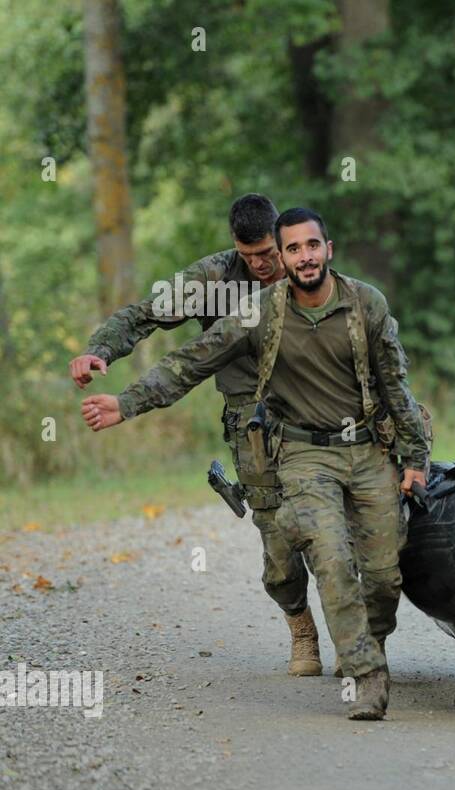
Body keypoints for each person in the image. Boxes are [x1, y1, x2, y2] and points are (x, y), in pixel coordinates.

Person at [80, 208, 430, 720]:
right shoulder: (236, 296)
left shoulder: (361, 301)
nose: (281, 261)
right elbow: (187, 355)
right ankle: (343, 655)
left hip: (359, 442)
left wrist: (414, 455)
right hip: (282, 439)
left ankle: (364, 641)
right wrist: (121, 392)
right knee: (313, 554)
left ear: (323, 248)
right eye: (279, 252)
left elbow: (395, 383)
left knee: (380, 571)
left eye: (300, 248)